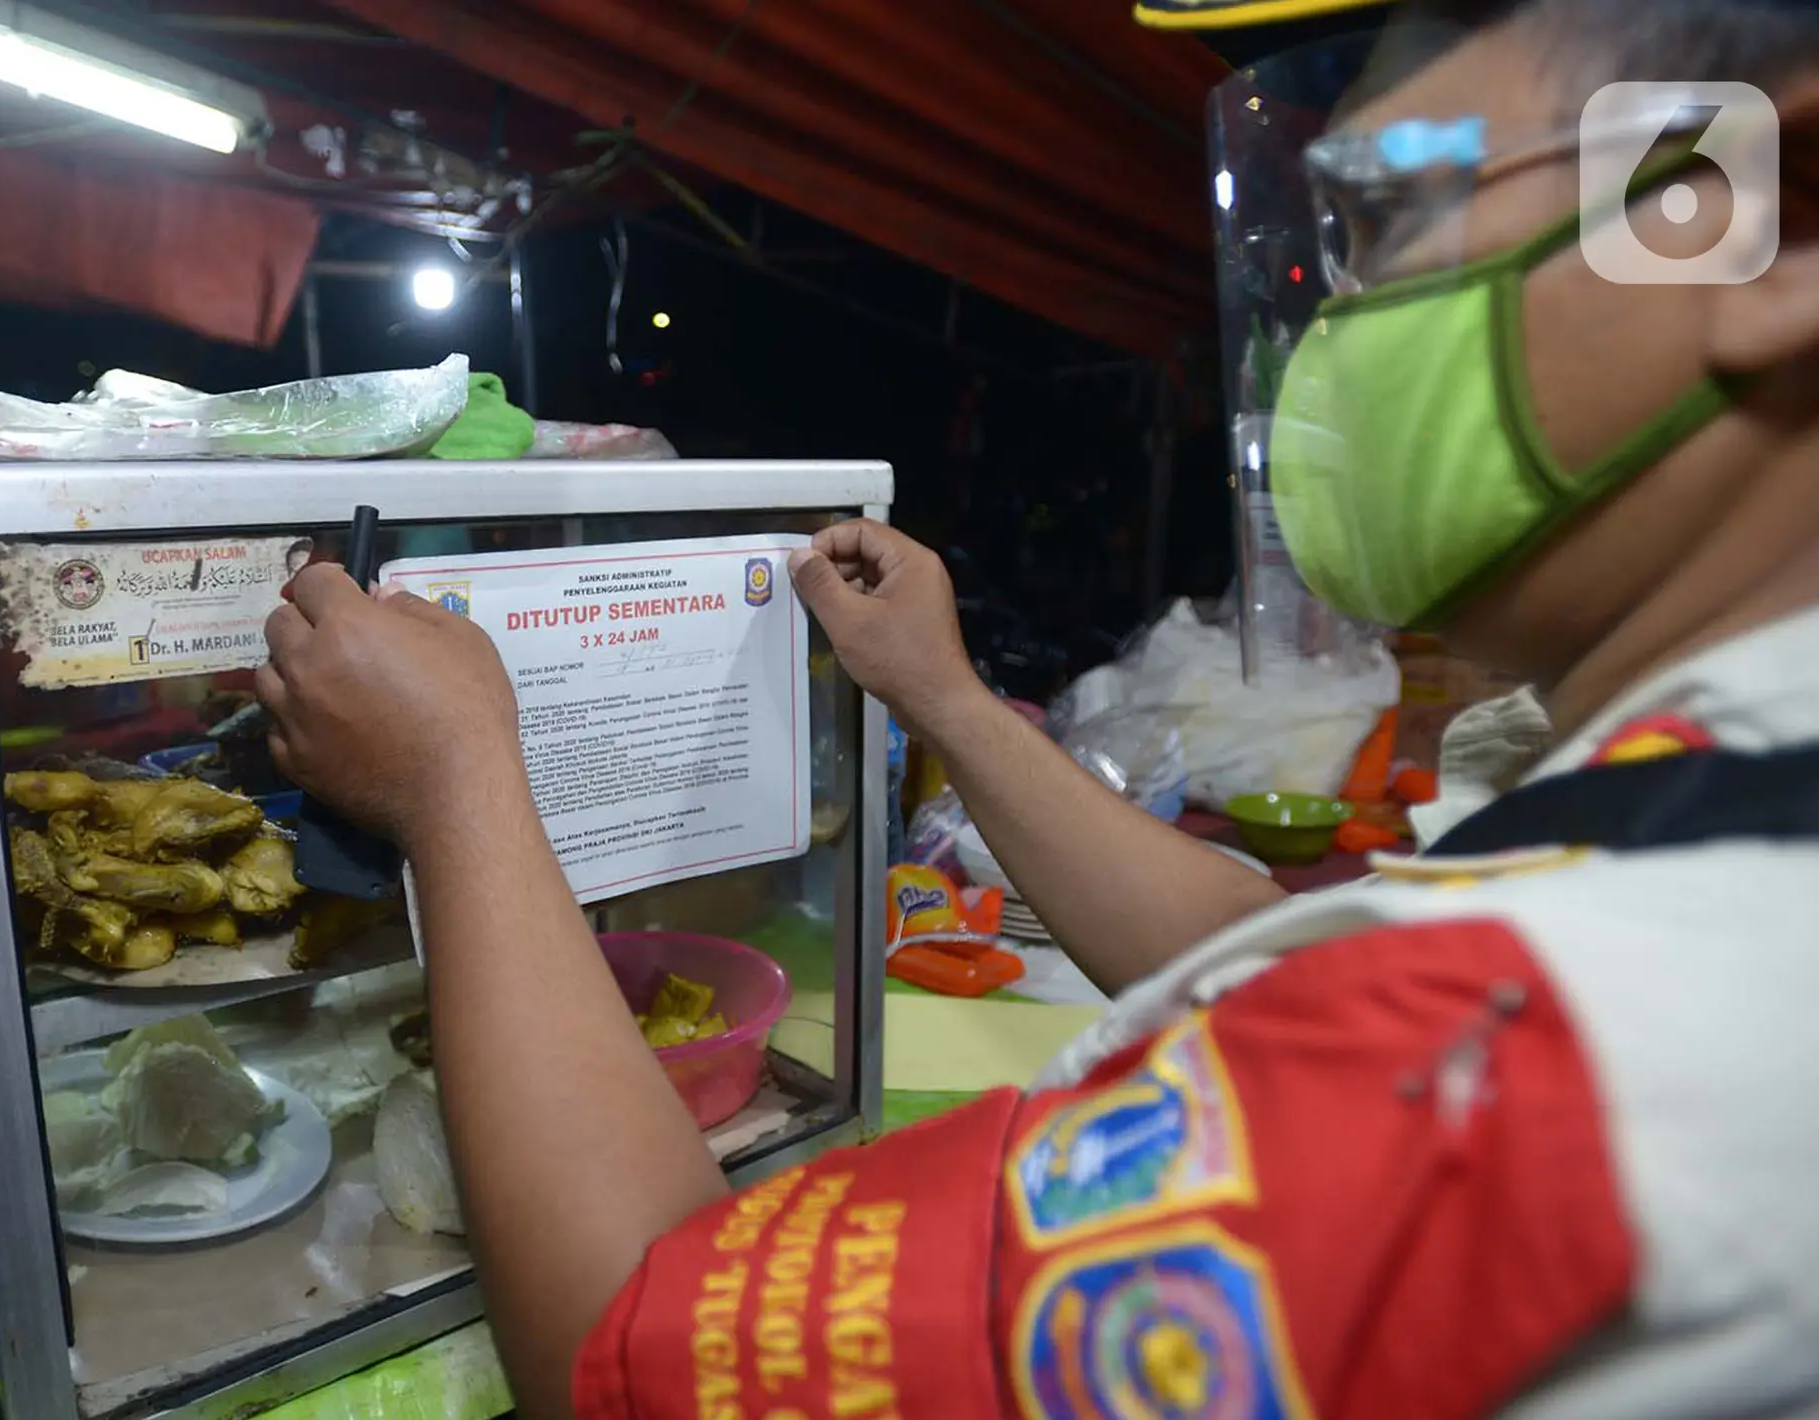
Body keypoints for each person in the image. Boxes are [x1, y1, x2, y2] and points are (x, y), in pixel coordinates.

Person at [255, 1, 1819, 1415]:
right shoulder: (1710, 818)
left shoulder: (1597, 1030)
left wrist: (460, 785)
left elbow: (636, 1347)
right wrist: (938, 692)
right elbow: (1245, 947)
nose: (1334, 332)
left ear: (1778, 218)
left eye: (1397, 215)